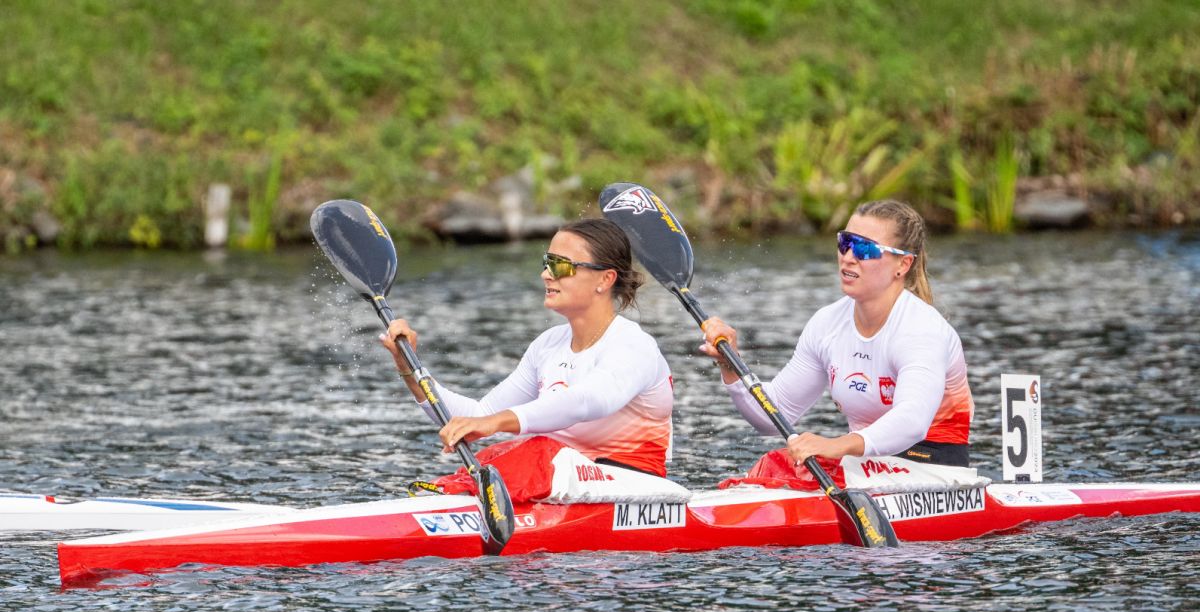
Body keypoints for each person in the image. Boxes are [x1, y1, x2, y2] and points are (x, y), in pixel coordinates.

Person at [381, 218, 675, 477]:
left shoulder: (634, 346)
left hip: (631, 484)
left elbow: (589, 401)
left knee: (533, 451)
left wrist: (497, 422)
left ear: (605, 279)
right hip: (554, 482)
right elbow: (478, 413)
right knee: (513, 456)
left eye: (560, 266)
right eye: (546, 263)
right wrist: (410, 370)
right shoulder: (547, 345)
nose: (546, 275)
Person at [700, 199, 974, 468]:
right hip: (864, 465)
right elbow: (774, 414)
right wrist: (731, 365)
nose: (848, 257)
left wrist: (835, 445)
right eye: (845, 243)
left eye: (865, 249)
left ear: (902, 265)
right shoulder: (827, 324)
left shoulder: (921, 329)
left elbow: (913, 421)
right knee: (773, 463)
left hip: (932, 465)